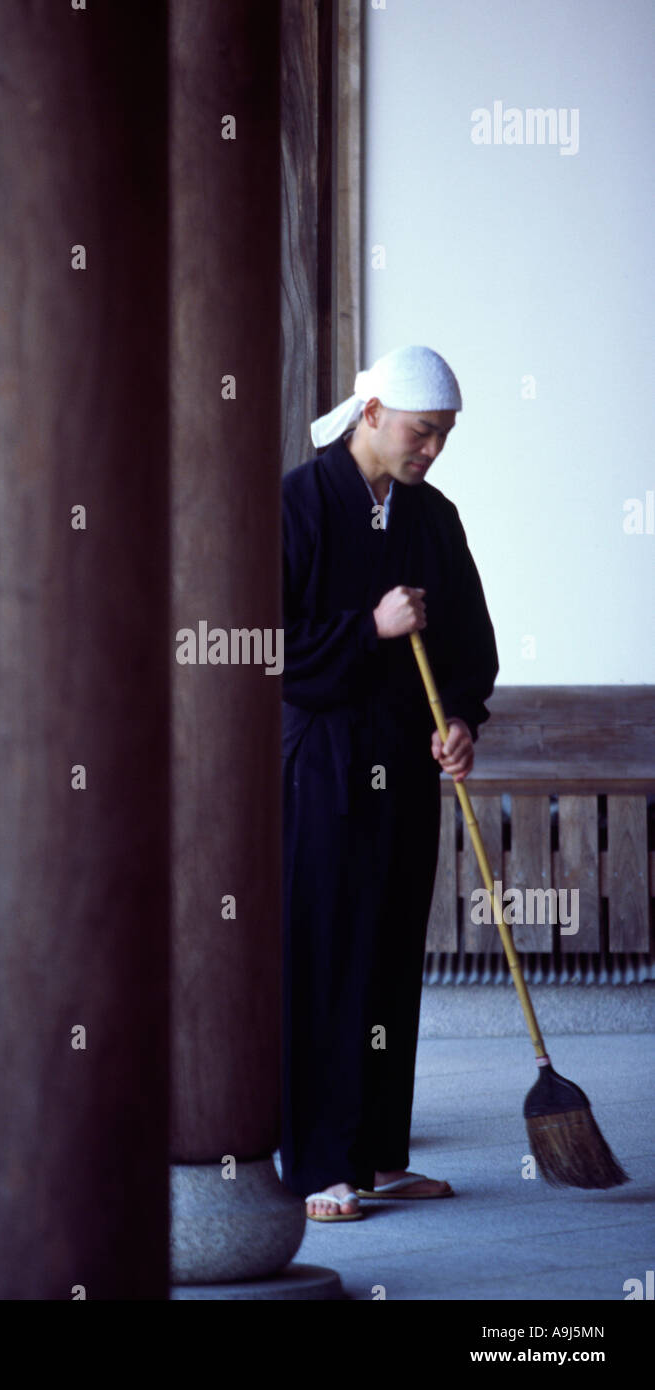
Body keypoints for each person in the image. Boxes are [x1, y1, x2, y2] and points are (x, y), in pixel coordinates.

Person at [280, 345, 499, 1221]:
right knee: (324, 953)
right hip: (322, 765)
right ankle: (315, 1165)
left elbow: (466, 641)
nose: (432, 451)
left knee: (385, 950)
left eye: (444, 436)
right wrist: (367, 628)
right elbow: (265, 646)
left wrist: (459, 721)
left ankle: (373, 1155)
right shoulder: (298, 504)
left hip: (403, 761)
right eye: (421, 432)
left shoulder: (431, 517)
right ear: (370, 412)